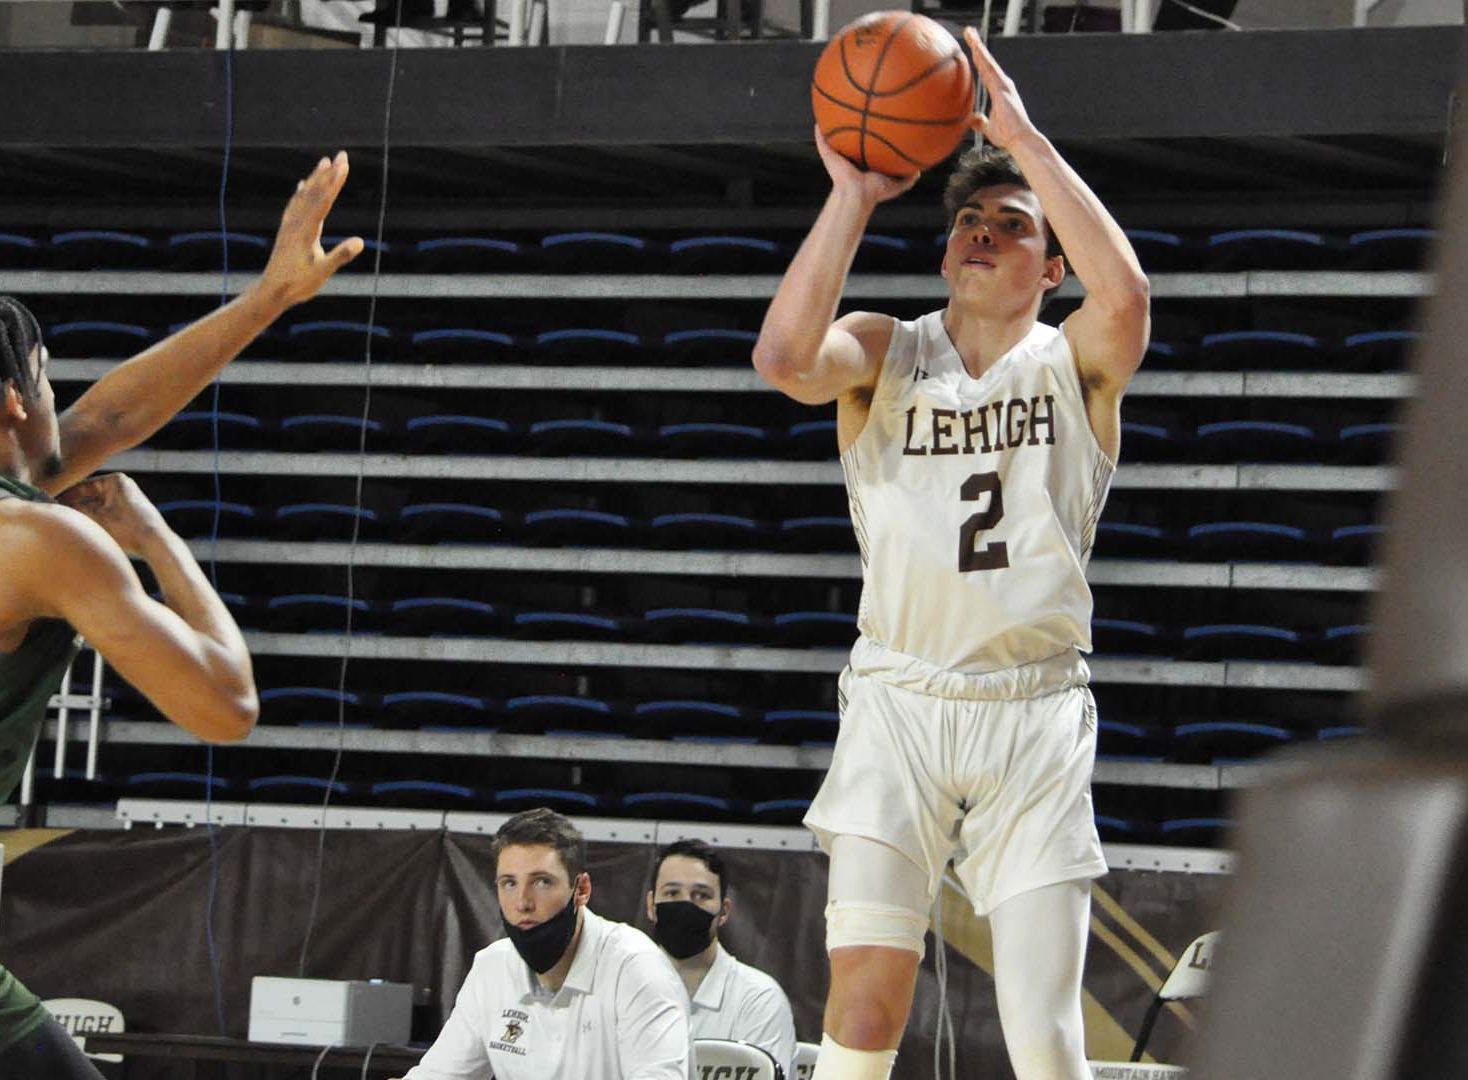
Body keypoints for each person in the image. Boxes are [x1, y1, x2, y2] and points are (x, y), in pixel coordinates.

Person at [751, 28, 1150, 1080]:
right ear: (942, 253)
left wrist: (1023, 141)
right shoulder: (887, 349)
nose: (981, 233)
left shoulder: (1077, 361)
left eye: (1010, 226)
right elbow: (783, 356)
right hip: (901, 697)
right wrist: (853, 194)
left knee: (1044, 1033)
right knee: (868, 1003)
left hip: (1033, 707)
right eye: (968, 220)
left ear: (1049, 263)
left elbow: (1129, 300)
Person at [0, 153, 364, 1080]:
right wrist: (157, 543)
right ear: (12, 398)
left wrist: (268, 299)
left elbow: (108, 419)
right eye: (46, 377)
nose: (62, 401)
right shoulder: (40, 542)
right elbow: (225, 706)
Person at [399, 809, 693, 1080]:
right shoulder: (492, 968)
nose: (523, 903)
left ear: (582, 890)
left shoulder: (637, 968)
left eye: (542, 882)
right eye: (509, 883)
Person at [643, 838, 796, 1071]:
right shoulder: (620, 989)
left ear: (723, 911)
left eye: (701, 895)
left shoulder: (759, 1000)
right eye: (672, 893)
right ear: (651, 906)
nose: (686, 904)